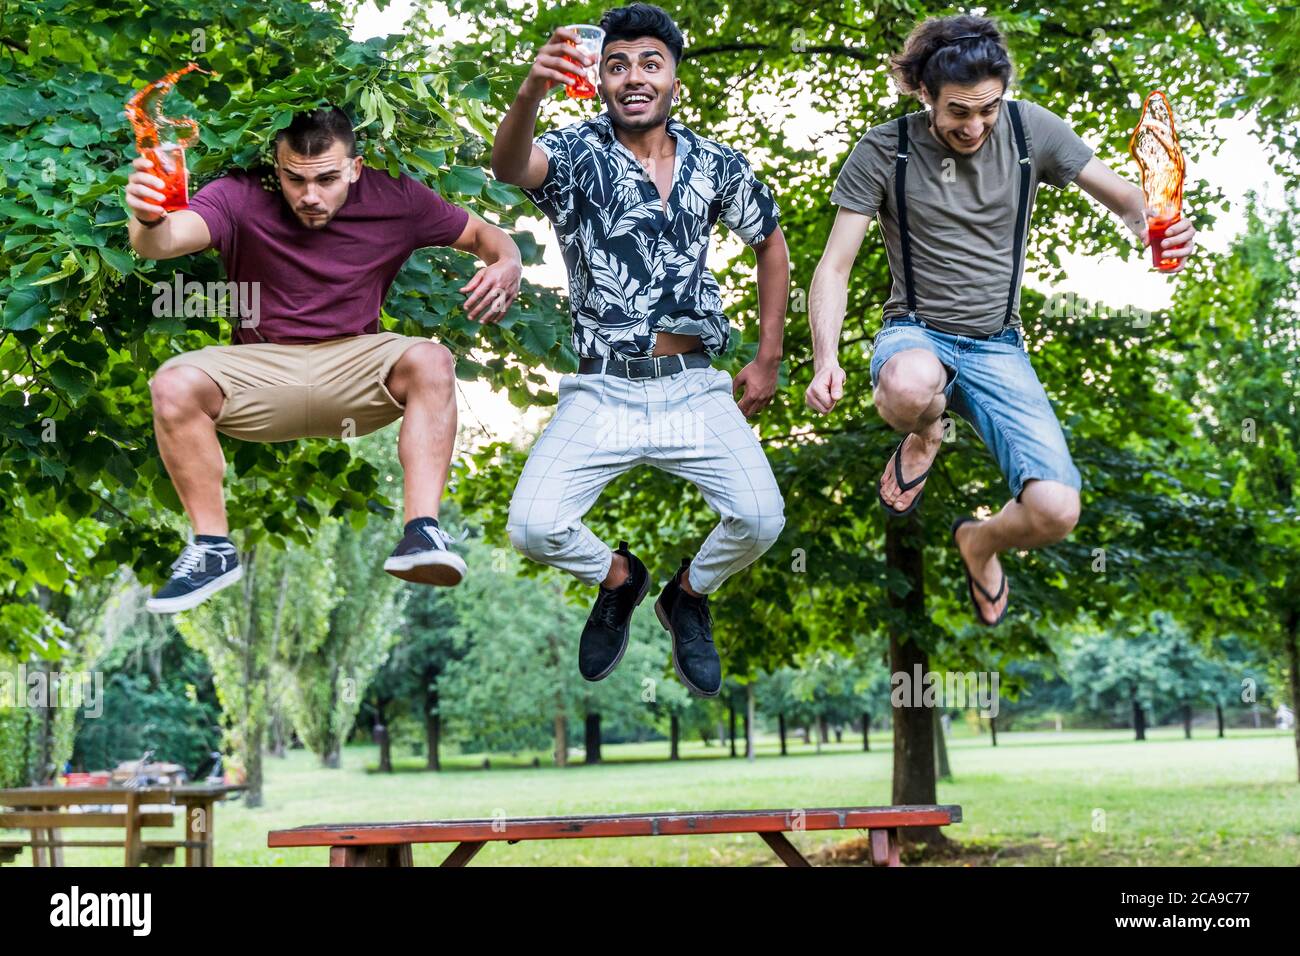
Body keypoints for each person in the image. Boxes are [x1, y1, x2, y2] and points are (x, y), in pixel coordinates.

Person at [806, 14, 1197, 625]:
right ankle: (927, 429)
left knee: (1056, 511)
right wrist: (826, 357)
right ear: (923, 94)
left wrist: (1159, 225)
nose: (976, 126)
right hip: (917, 332)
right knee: (909, 386)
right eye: (959, 111)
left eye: (988, 108)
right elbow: (834, 268)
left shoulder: (1030, 129)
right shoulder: (885, 150)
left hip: (999, 347)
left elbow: (1127, 200)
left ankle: (979, 543)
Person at [491, 4, 789, 696]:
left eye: (649, 63)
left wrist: (768, 355)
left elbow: (769, 239)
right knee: (533, 525)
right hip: (605, 390)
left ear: (674, 81)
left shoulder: (715, 163)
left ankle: (689, 592)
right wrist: (532, 89)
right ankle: (621, 580)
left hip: (693, 386)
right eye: (617, 64)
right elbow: (509, 166)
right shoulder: (574, 154)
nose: (633, 76)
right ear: (599, 78)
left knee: (761, 517)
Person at [125, 106, 523, 613]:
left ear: (355, 169)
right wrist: (145, 216)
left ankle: (423, 532)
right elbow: (163, 242)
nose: (310, 195)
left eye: (328, 179)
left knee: (430, 358)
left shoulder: (394, 194)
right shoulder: (240, 193)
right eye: (295, 179)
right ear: (277, 165)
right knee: (173, 381)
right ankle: (211, 549)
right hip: (261, 368)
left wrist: (507, 261)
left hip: (355, 364)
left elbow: (481, 235)